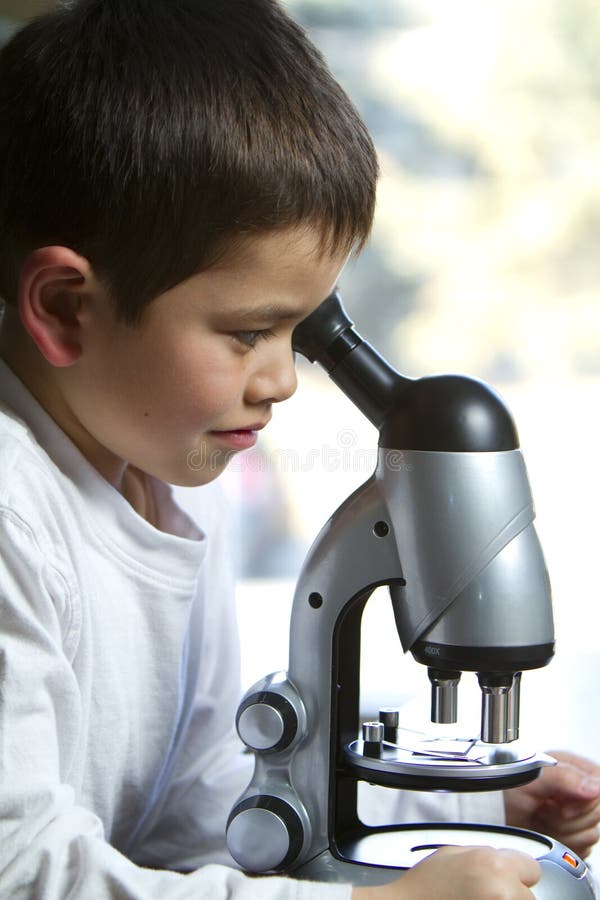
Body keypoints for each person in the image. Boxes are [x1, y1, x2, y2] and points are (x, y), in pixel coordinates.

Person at [0, 1, 598, 898]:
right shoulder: (14, 513)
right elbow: (24, 872)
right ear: (65, 308)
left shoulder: (169, 472)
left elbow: (189, 815)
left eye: (303, 328)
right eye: (249, 333)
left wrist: (456, 811)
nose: (282, 378)